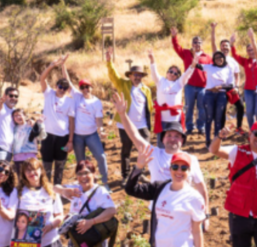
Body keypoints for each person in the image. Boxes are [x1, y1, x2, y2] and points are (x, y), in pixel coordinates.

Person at [107, 48, 154, 178]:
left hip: (142, 125)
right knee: (126, 150)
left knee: (145, 150)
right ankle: (126, 175)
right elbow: (113, 75)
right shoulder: (123, 84)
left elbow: (149, 107)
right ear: (130, 76)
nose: (137, 77)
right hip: (125, 125)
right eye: (135, 74)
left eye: (140, 75)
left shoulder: (146, 90)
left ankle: (141, 174)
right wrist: (109, 62)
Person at [148, 48, 195, 145]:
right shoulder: (160, 81)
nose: (172, 74)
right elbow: (154, 72)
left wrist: (193, 64)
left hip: (175, 120)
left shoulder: (179, 83)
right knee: (161, 144)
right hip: (162, 119)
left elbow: (187, 74)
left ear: (178, 76)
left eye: (175, 73)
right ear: (167, 72)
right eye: (170, 71)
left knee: (174, 145)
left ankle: (173, 160)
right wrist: (152, 60)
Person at [39, 55, 74, 185]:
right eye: (60, 87)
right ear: (56, 86)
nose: (62, 90)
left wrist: (70, 141)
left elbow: (71, 122)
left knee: (60, 165)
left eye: (65, 88)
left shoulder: (69, 101)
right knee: (46, 164)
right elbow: (42, 79)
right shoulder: (49, 94)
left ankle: (57, 190)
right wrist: (51, 66)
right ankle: (46, 189)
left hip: (62, 137)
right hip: (47, 136)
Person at [67, 79, 110, 185]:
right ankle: (84, 184)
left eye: (87, 87)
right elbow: (68, 82)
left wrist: (101, 130)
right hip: (77, 136)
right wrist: (63, 65)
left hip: (92, 135)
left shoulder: (96, 102)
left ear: (91, 87)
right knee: (81, 162)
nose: (85, 89)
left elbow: (99, 119)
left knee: (101, 157)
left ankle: (105, 182)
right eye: (82, 87)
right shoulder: (77, 97)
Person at [171, 28, 212, 135]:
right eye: (195, 42)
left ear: (202, 44)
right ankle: (189, 127)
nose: (197, 44)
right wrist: (174, 37)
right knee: (189, 107)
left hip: (202, 87)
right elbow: (176, 47)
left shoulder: (207, 57)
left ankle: (201, 127)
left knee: (202, 108)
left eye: (199, 42)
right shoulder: (186, 53)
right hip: (189, 86)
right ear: (192, 44)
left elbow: (212, 71)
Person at [211, 24, 246, 134]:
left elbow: (237, 75)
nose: (225, 47)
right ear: (220, 48)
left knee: (240, 106)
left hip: (231, 88)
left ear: (229, 48)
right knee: (222, 110)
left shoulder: (233, 61)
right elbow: (212, 44)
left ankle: (239, 128)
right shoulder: (217, 57)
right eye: (223, 46)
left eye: (227, 46)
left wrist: (236, 86)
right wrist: (213, 30)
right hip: (220, 89)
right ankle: (221, 131)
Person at [202, 50, 235, 146]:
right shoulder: (209, 67)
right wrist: (193, 56)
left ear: (223, 58)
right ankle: (208, 140)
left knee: (218, 119)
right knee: (208, 118)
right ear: (213, 60)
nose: (218, 59)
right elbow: (197, 66)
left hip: (221, 95)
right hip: (209, 94)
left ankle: (217, 140)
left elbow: (231, 85)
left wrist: (220, 87)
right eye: (216, 58)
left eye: (220, 57)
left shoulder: (228, 69)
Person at [230, 35, 257, 129]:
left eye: (252, 49)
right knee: (249, 112)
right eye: (249, 50)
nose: (251, 52)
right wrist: (232, 44)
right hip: (248, 91)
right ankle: (252, 130)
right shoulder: (246, 61)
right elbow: (235, 56)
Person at [10, 108, 46, 173]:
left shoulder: (31, 125)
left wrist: (40, 124)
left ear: (25, 116)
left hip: (31, 158)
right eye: (15, 116)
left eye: (19, 115)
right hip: (17, 159)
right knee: (20, 180)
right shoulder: (13, 128)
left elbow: (42, 137)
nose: (18, 117)